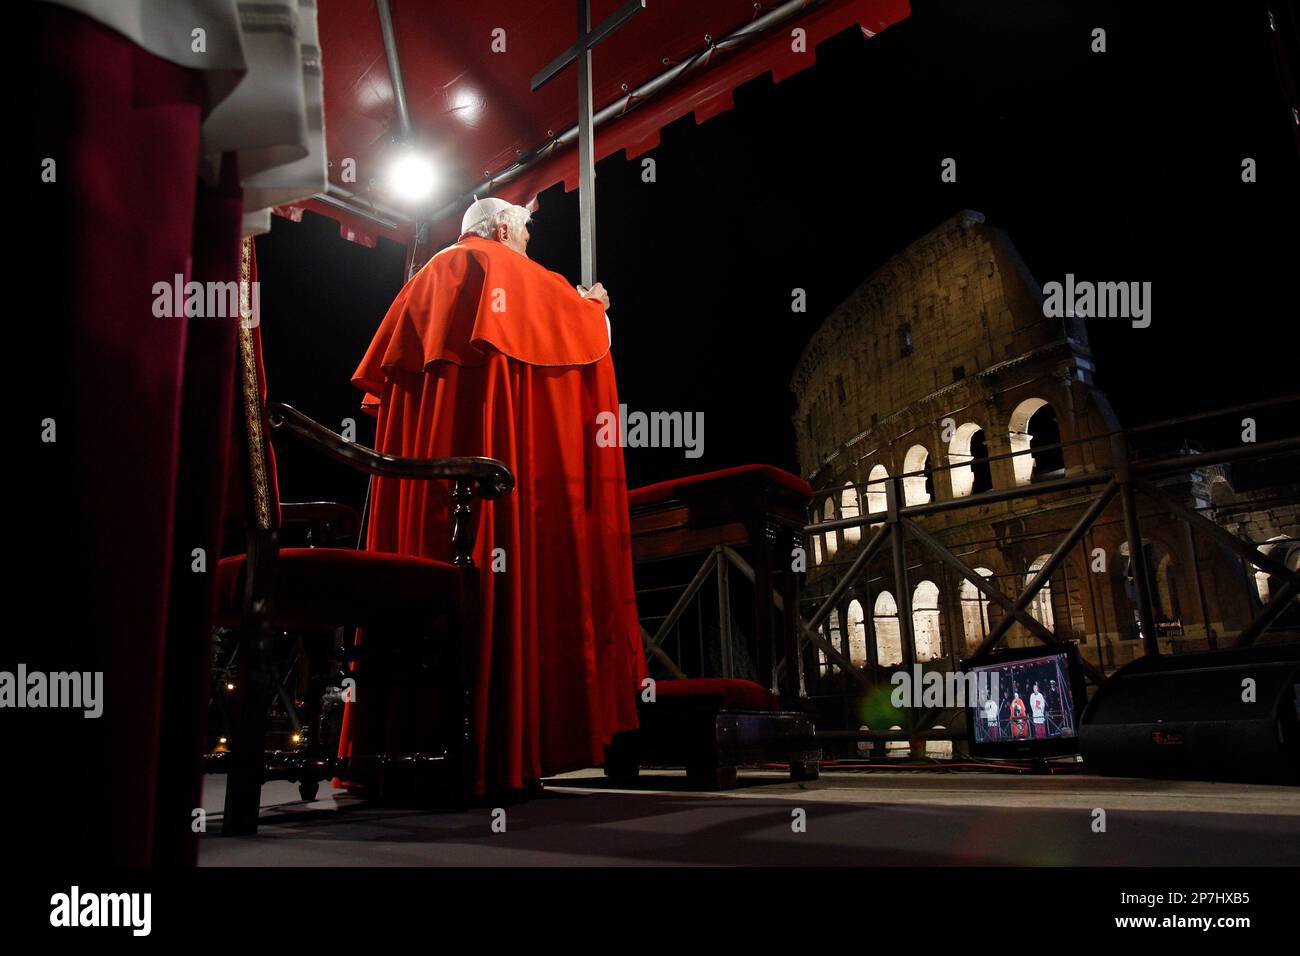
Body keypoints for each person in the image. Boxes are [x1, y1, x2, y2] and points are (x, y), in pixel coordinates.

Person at [347, 197, 646, 796]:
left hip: (422, 512)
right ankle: (495, 746)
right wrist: (596, 309)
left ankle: (398, 745)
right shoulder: (504, 270)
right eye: (528, 229)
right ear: (505, 227)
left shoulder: (420, 282)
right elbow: (582, 333)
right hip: (484, 493)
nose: (529, 241)